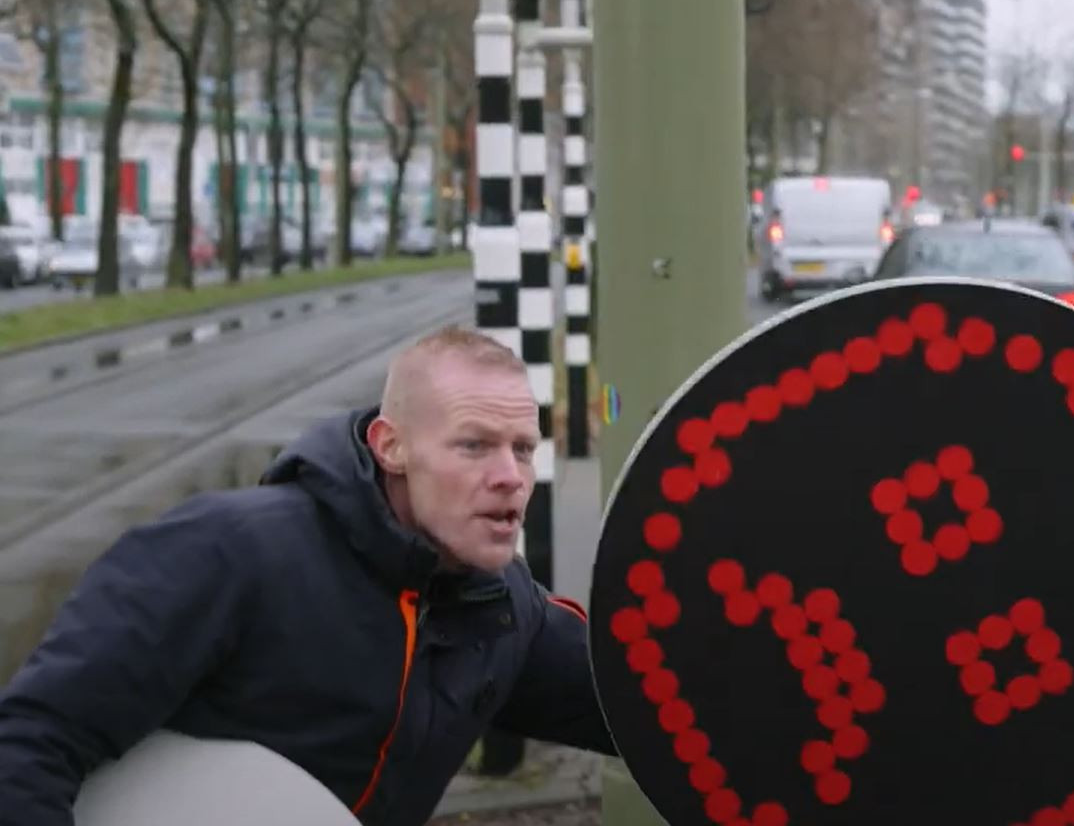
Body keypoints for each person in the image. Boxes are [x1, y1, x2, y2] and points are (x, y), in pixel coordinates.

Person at [0, 325, 617, 826]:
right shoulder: (227, 554)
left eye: (524, 448)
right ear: (390, 446)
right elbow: (29, 744)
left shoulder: (504, 609)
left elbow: (652, 697)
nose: (512, 476)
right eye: (474, 446)